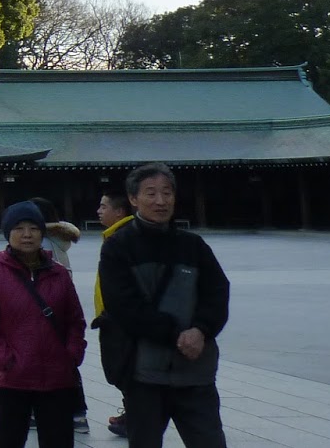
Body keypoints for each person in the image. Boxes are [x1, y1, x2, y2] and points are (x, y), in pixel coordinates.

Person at [98, 163, 230, 448]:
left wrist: (201, 329)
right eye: (151, 193)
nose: (161, 201)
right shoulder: (118, 247)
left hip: (195, 371)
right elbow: (123, 305)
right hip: (143, 373)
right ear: (133, 199)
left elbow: (217, 293)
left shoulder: (194, 246)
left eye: (167, 193)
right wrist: (175, 334)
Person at [0, 201, 86, 448]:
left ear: (42, 233)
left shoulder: (59, 273)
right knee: (9, 438)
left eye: (33, 228)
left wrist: (72, 354)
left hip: (56, 375)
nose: (26, 235)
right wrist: (4, 357)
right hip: (11, 376)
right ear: (7, 233)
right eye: (19, 228)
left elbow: (75, 320)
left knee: (59, 439)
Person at [31, 197, 88, 434]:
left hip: (44, 309)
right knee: (67, 363)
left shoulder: (42, 242)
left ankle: (44, 411)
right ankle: (78, 414)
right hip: (62, 309)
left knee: (43, 361)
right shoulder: (60, 240)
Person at [94, 186, 136, 439]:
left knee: (125, 368)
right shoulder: (115, 236)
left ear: (119, 212)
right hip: (111, 317)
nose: (99, 211)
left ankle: (134, 416)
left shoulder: (125, 238)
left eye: (104, 206)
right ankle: (131, 413)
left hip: (120, 320)